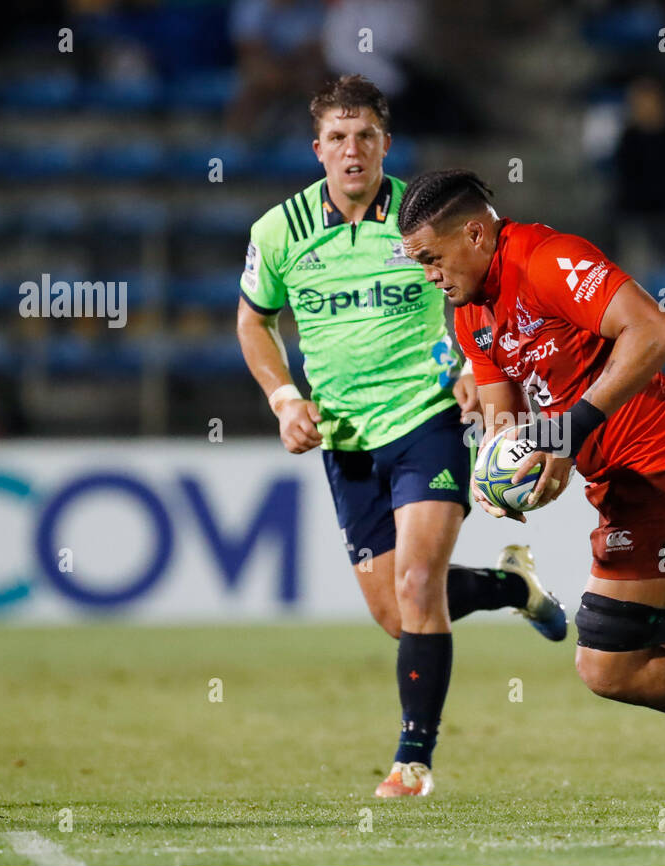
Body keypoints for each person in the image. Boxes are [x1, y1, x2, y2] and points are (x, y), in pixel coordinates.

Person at [235, 76, 565, 799]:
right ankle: (515, 585)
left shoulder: (428, 217)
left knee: (418, 586)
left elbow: (485, 286)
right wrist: (285, 397)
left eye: (366, 136)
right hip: (346, 440)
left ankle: (413, 762)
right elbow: (252, 320)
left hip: (427, 421)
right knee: (397, 614)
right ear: (316, 149)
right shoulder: (278, 232)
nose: (352, 150)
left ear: (386, 143)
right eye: (337, 138)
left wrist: (479, 367)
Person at [398, 169, 665, 732]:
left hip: (664, 462)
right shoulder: (473, 311)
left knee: (606, 663)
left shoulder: (546, 260)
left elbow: (657, 332)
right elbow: (506, 421)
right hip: (620, 484)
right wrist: (494, 470)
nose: (428, 276)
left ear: (474, 234)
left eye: (430, 258)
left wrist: (569, 432)